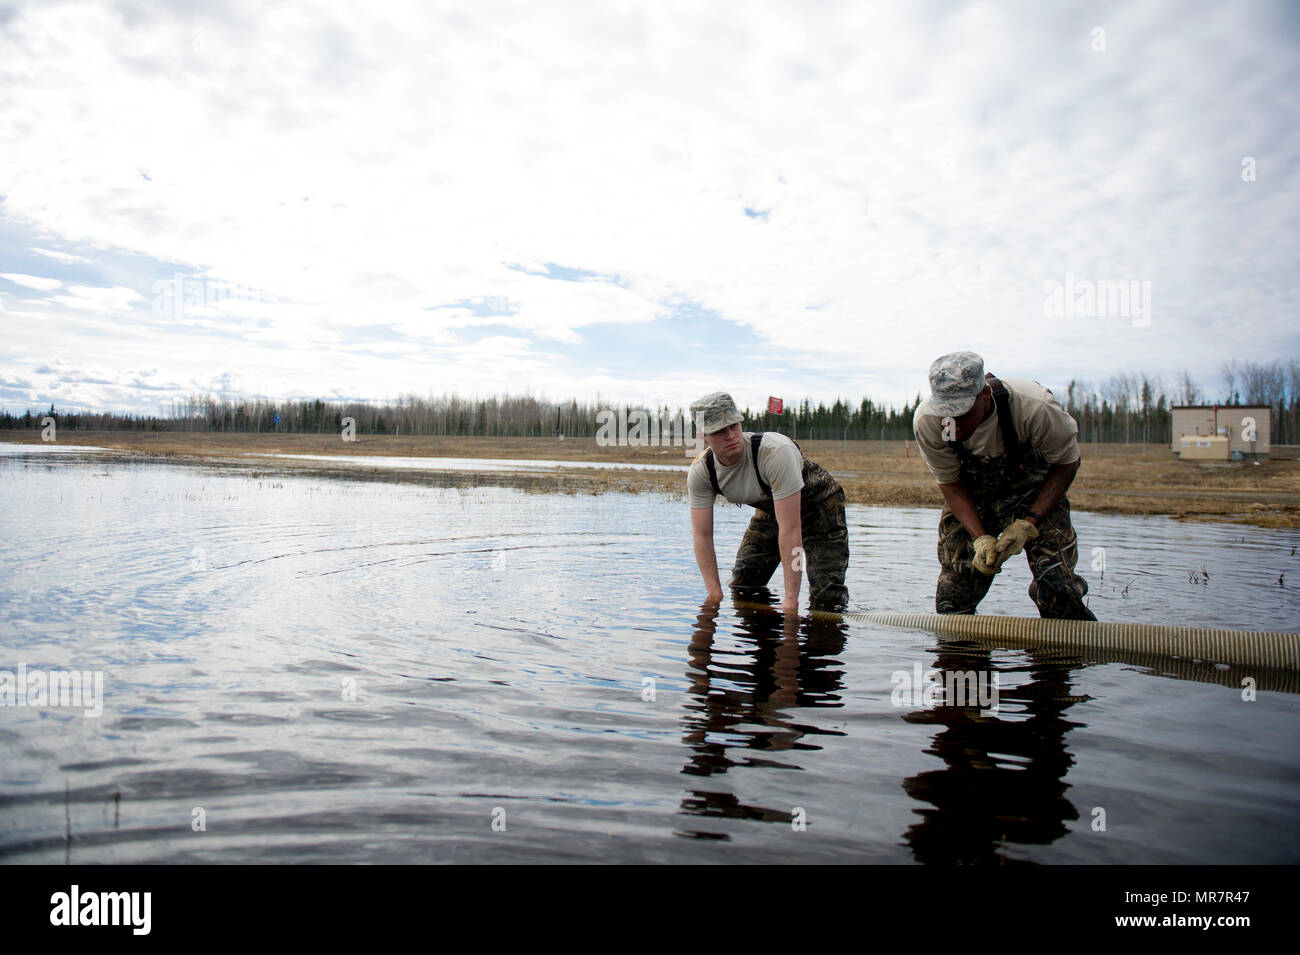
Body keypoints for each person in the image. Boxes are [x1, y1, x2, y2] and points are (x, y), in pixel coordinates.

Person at [912, 352, 1096, 620]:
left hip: (1036, 493)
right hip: (974, 498)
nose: (950, 423)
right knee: (953, 599)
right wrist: (981, 538)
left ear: (984, 395)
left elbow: (1067, 463)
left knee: (1058, 592)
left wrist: (1029, 523)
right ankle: (962, 659)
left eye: (960, 413)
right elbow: (951, 485)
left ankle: (1065, 657)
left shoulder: (1035, 407)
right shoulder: (926, 422)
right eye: (944, 414)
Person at [687, 392, 849, 614]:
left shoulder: (774, 453)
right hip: (774, 511)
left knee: (827, 597)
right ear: (703, 436)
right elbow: (702, 536)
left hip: (821, 509)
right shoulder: (702, 471)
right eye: (719, 431)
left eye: (733, 426)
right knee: (743, 584)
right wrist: (714, 594)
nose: (730, 435)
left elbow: (791, 530)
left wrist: (791, 599)